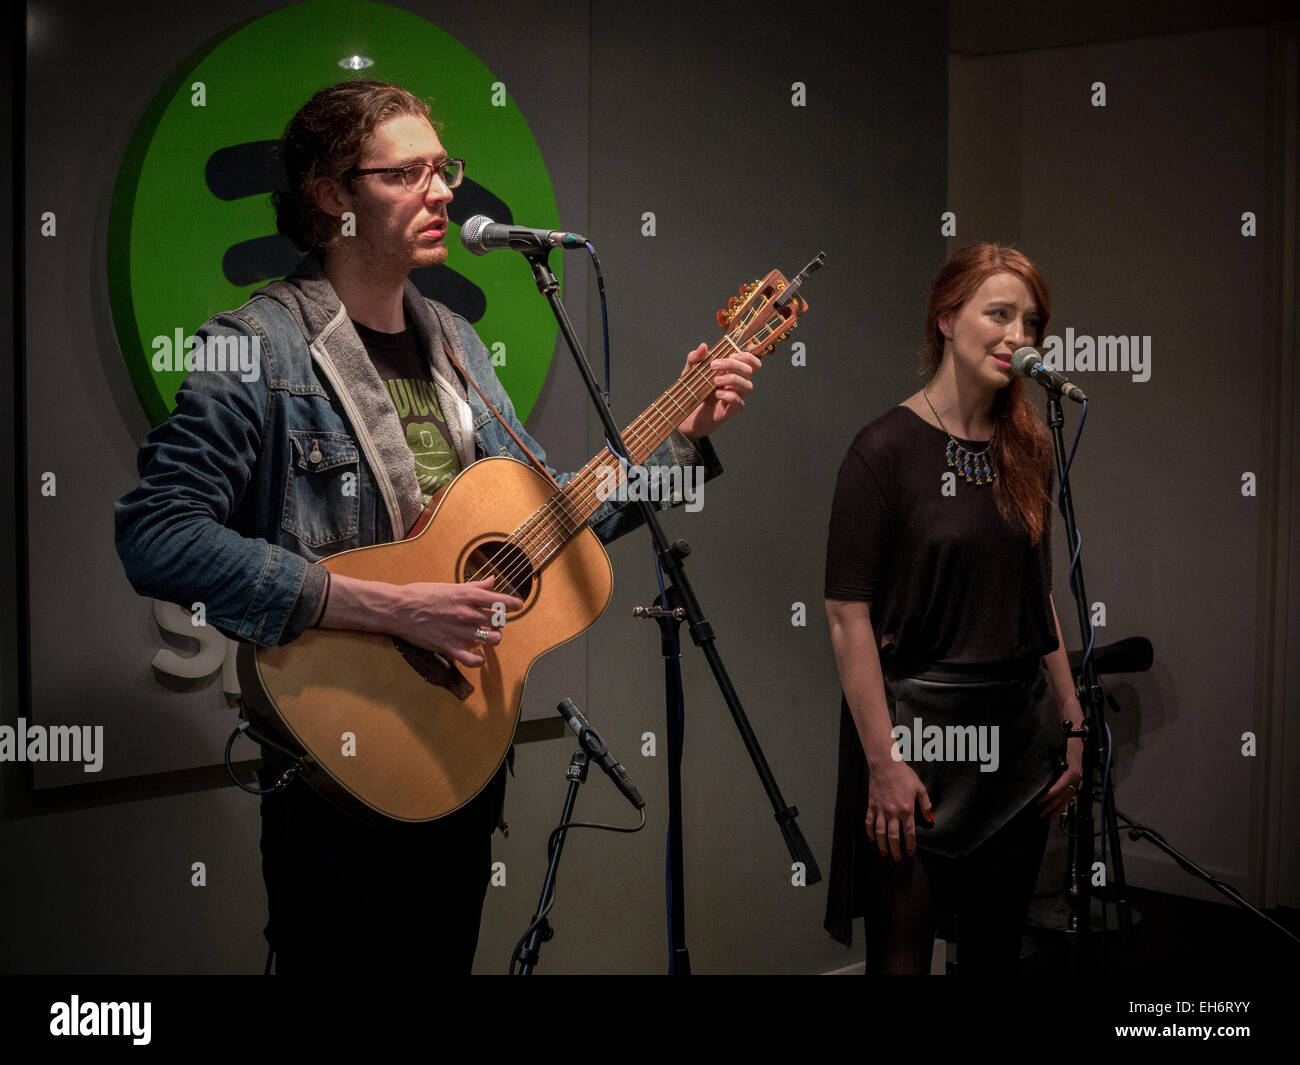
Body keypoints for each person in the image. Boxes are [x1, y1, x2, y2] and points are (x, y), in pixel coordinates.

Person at [114, 80, 760, 974]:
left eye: (443, 168)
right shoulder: (257, 344)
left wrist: (684, 437)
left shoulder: (455, 339)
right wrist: (390, 608)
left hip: (458, 758)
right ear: (333, 195)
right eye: (407, 172)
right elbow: (157, 534)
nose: (444, 190)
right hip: (337, 771)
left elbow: (548, 523)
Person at [822, 243, 1085, 974]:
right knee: (902, 960)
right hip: (920, 741)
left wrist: (1070, 718)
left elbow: (1040, 601)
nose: (1018, 336)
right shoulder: (883, 450)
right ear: (946, 319)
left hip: (1016, 734)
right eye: (998, 314)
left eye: (1031, 322)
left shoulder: (1027, 450)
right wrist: (883, 762)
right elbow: (847, 617)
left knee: (995, 955)